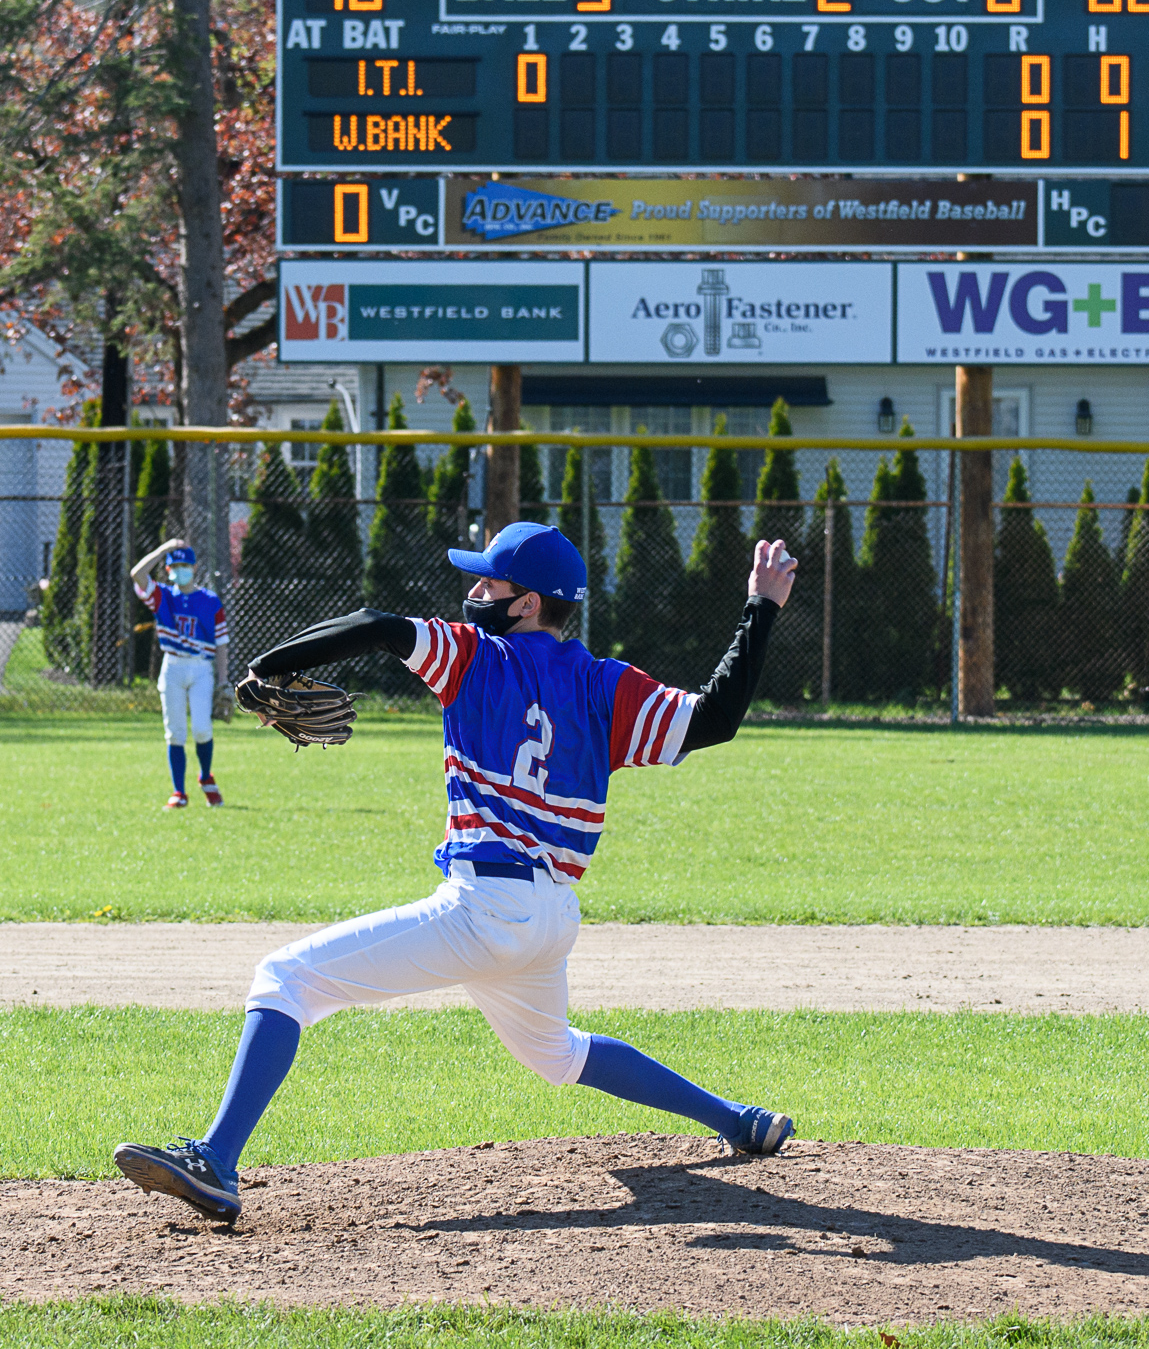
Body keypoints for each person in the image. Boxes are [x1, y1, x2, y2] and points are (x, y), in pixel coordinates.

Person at [114, 521, 798, 1224]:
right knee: (556, 1053)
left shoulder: (475, 655)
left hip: (484, 908)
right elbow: (714, 717)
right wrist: (760, 607)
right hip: (552, 918)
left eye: (488, 583)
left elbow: (378, 626)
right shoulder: (607, 683)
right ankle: (737, 1119)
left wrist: (269, 666)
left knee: (283, 979)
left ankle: (216, 1162)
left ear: (526, 603)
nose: (473, 592)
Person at [130, 538, 229, 810]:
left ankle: (206, 776)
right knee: (174, 733)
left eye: (185, 564)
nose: (180, 569)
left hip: (200, 667)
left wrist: (223, 679)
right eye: (175, 565)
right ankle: (178, 792)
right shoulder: (163, 595)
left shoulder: (209, 601)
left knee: (201, 728)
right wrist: (162, 550)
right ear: (169, 569)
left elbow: (221, 643)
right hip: (172, 665)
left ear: (194, 568)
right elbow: (137, 574)